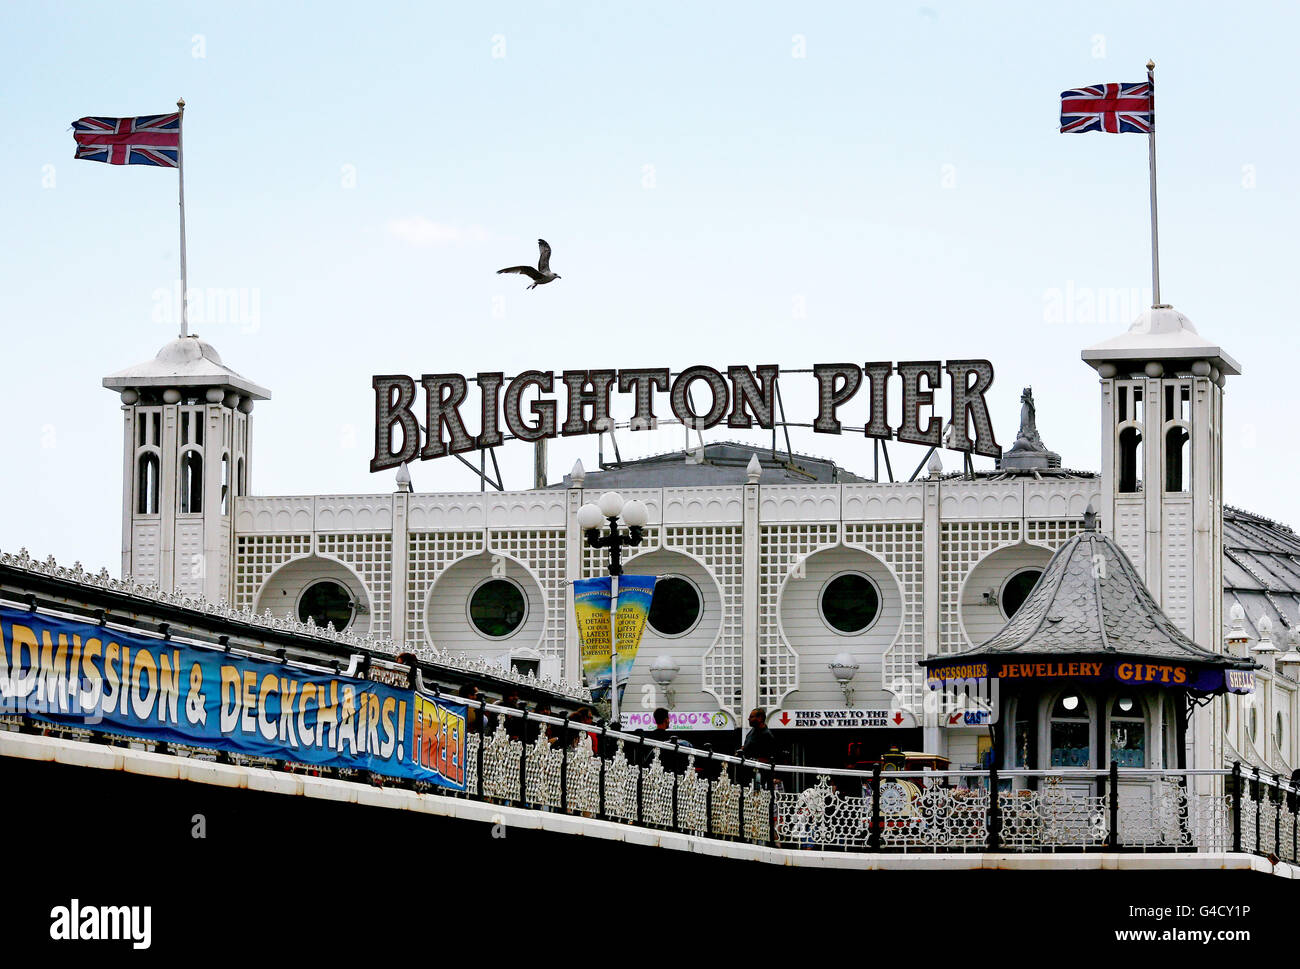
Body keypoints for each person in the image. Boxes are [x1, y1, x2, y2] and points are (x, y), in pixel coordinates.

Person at [739, 708, 779, 784]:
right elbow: (747, 746)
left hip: (759, 774)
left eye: (751, 717)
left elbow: (771, 757)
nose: (748, 719)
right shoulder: (753, 731)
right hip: (748, 771)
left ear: (760, 718)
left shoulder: (767, 735)